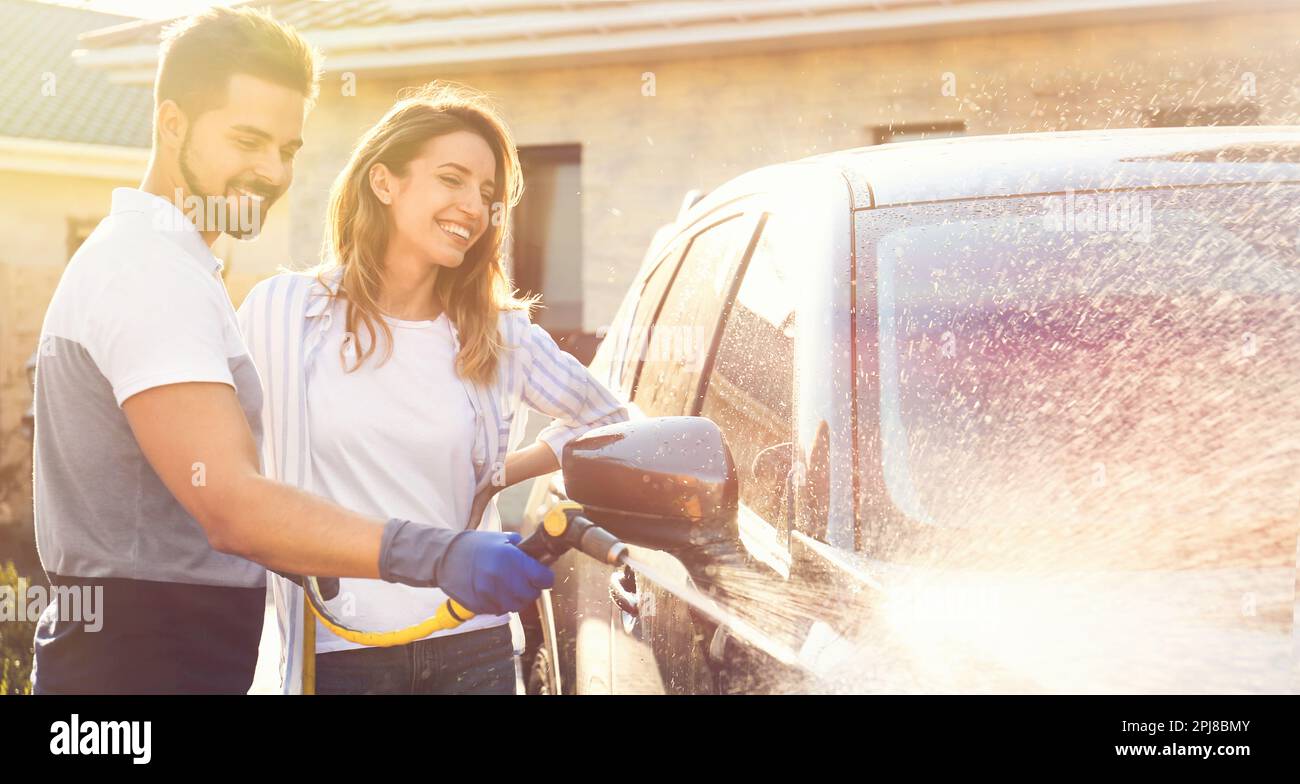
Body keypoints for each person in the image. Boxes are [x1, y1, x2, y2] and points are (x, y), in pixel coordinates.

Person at [30, 7, 551, 695]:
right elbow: (234, 505)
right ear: (172, 122)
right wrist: (440, 552)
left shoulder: (177, 266)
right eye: (247, 140)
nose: (271, 171)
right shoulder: (147, 272)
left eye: (287, 149)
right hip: (135, 670)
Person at [238, 81, 629, 694]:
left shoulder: (495, 332)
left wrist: (502, 470)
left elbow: (608, 421)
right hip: (338, 653)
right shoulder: (287, 311)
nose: (474, 206)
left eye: (487, 192)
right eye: (452, 179)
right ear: (384, 182)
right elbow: (235, 477)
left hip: (471, 648)